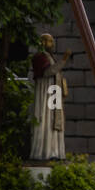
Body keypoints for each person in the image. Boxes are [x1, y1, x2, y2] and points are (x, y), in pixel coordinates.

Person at [30, 33, 71, 161]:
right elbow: (48, 72)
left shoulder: (49, 57)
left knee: (54, 122)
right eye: (50, 42)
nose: (52, 45)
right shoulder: (39, 57)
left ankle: (55, 151)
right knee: (46, 120)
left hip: (53, 93)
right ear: (43, 43)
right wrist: (64, 60)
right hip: (45, 93)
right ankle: (44, 152)